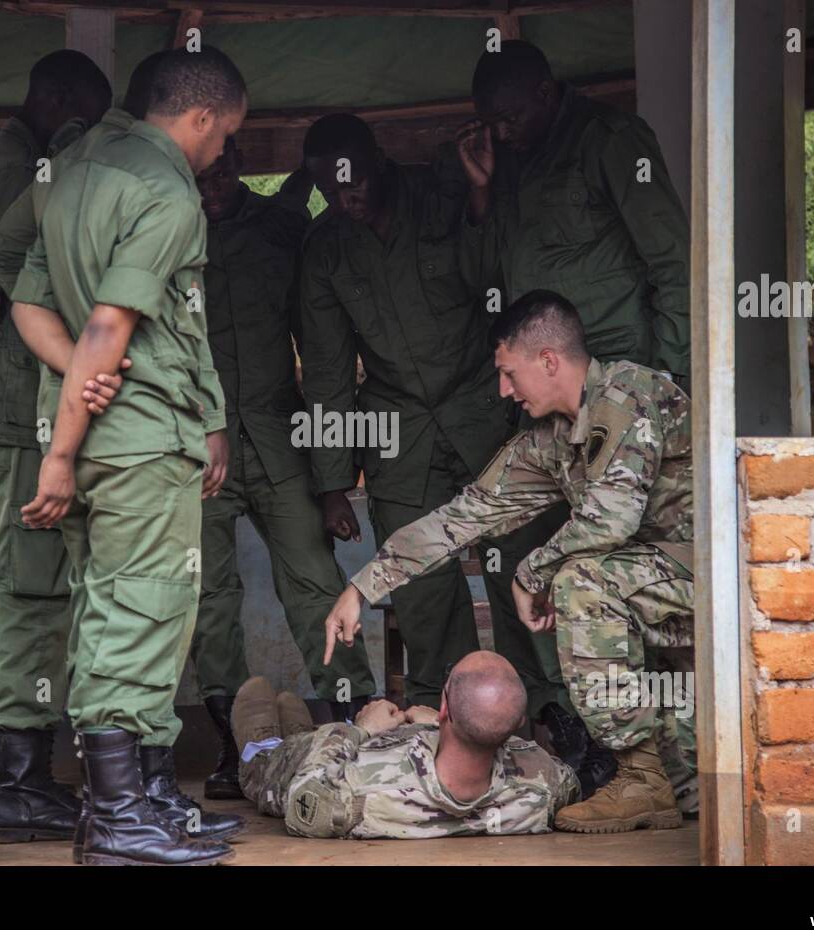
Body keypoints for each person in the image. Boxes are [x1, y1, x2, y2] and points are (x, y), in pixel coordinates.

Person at [325, 291, 694, 834]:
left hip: (712, 576)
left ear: (548, 360)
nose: (503, 390)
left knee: (580, 583)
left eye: (507, 373)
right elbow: (461, 517)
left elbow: (611, 519)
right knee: (695, 792)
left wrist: (530, 572)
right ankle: (666, 783)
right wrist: (362, 587)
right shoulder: (549, 442)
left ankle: (639, 777)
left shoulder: (626, 395)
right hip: (652, 587)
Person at [8, 47, 249, 867]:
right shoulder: (167, 193)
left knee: (109, 608)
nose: (223, 156)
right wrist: (63, 450)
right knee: (140, 614)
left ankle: (140, 803)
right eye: (227, 136)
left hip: (97, 426)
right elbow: (110, 330)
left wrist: (76, 378)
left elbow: (28, 303)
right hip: (136, 438)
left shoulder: (74, 172)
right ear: (204, 116)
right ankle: (117, 818)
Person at [296, 112, 589, 770]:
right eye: (332, 191)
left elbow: (497, 281)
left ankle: (551, 710)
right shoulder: (325, 249)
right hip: (397, 425)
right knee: (420, 584)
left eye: (358, 182)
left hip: (480, 400)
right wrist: (332, 480)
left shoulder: (444, 195)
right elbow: (326, 367)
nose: (349, 199)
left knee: (519, 562)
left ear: (379, 156)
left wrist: (482, 196)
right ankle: (442, 722)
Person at [189, 137, 377, 800]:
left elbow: (319, 341)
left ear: (237, 160)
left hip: (279, 435)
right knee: (208, 599)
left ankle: (350, 725)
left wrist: (332, 476)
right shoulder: (163, 222)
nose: (210, 184)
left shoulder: (282, 225)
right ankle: (237, 744)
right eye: (199, 173)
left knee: (315, 581)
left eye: (221, 170)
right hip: (195, 445)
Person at [0, 50, 113, 843]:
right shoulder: (21, 165)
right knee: (26, 589)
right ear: (54, 101)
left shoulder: (2, 159)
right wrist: (18, 359)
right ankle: (20, 777)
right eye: (82, 115)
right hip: (14, 405)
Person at [457, 40, 691, 392]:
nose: (501, 134)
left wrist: (667, 371)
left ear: (545, 92)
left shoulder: (610, 139)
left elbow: (674, 260)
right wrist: (480, 189)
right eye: (492, 124)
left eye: (510, 119)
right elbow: (481, 276)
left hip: (618, 364)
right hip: (544, 377)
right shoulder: (503, 163)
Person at [232, 651, 578, 838]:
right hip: (441, 730)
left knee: (265, 706)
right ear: (518, 724)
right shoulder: (545, 787)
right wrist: (441, 726)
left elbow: (302, 800)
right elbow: (501, 732)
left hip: (291, 762)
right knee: (293, 708)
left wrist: (361, 730)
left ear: (444, 707)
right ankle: (298, 728)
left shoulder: (362, 791)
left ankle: (269, 741)